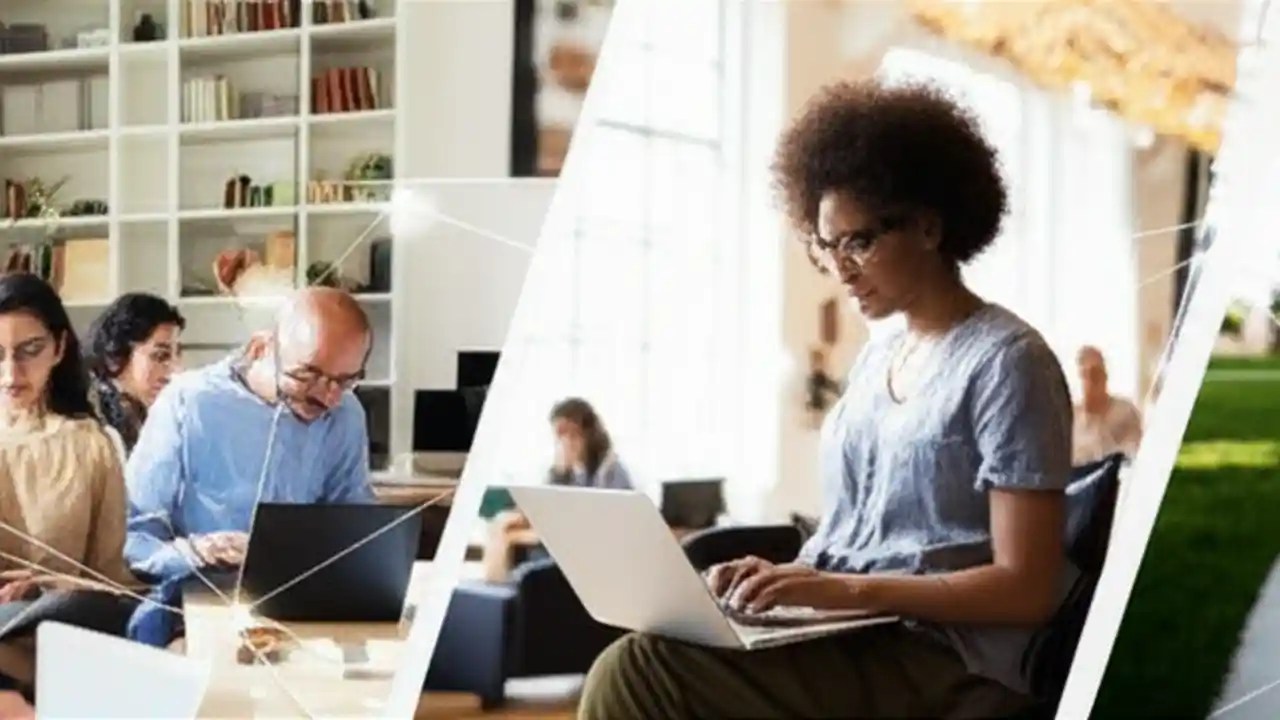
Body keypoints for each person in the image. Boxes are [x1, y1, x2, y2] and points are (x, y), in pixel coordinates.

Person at [579, 79, 1076, 719]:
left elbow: (1027, 588)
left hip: (942, 656)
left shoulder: (1009, 363)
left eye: (859, 241)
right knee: (652, 649)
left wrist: (840, 590)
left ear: (929, 224)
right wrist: (779, 579)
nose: (840, 268)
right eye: (826, 245)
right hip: (849, 633)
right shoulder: (874, 362)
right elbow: (856, 537)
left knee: (640, 673)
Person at [124, 287, 376, 645]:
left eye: (345, 380)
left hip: (303, 609)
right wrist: (199, 551)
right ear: (261, 348)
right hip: (194, 603)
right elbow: (133, 537)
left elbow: (357, 526)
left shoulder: (346, 413)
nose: (327, 396)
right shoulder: (188, 402)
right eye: (308, 375)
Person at [0, 274, 141, 689]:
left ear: (59, 347)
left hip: (58, 644)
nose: (11, 372)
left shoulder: (90, 445)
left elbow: (115, 586)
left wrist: (50, 585)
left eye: (30, 351)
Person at [484, 398, 633, 581]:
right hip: (559, 546)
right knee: (501, 527)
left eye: (572, 434)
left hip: (589, 555)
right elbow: (548, 509)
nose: (566, 442)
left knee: (527, 574)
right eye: (560, 435)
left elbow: (603, 523)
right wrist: (559, 474)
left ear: (589, 434)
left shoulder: (610, 470)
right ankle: (495, 592)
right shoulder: (563, 470)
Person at [84, 293, 186, 458]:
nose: (175, 371)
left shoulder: (150, 415)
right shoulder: (96, 429)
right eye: (160, 356)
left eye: (177, 355)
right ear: (116, 357)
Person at [1073, 345, 1143, 465]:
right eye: (1086, 375)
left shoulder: (1126, 412)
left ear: (1105, 376)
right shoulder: (1070, 421)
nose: (1091, 382)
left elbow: (1135, 454)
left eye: (1096, 374)